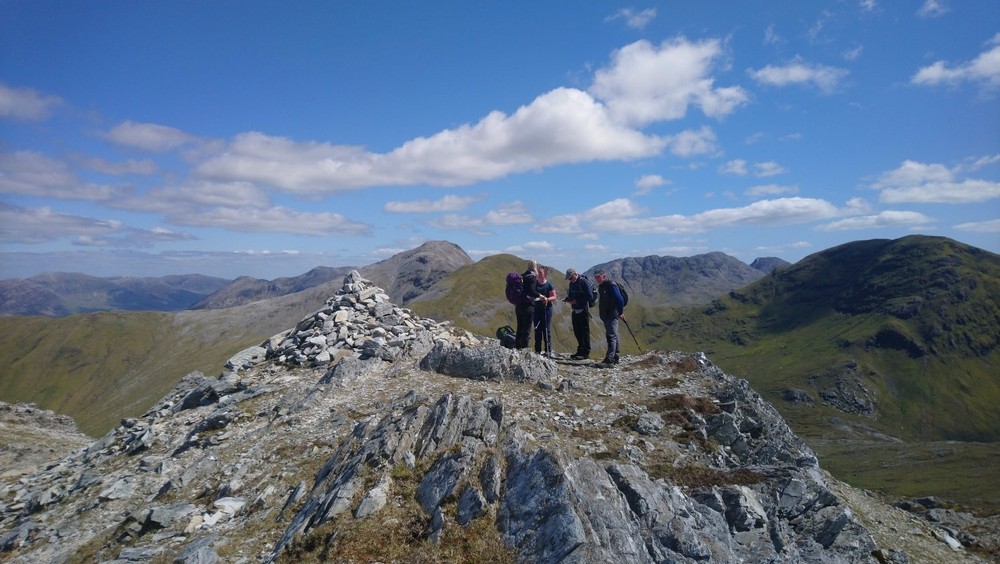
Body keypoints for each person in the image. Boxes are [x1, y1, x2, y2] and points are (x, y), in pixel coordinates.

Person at [594, 269, 624, 366]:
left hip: (612, 314)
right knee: (613, 335)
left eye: (599, 276)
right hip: (606, 315)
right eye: (596, 277)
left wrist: (620, 312)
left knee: (611, 336)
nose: (597, 279)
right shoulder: (602, 287)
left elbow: (619, 299)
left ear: (604, 276)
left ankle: (609, 360)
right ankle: (615, 357)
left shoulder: (611, 285)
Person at [563, 267, 595, 360]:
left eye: (570, 278)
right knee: (577, 331)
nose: (570, 280)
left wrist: (576, 302)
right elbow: (571, 295)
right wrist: (568, 299)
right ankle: (580, 350)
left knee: (584, 332)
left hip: (584, 310)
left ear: (575, 274)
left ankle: (586, 353)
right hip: (575, 310)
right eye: (569, 278)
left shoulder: (583, 282)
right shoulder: (571, 284)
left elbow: (589, 296)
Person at [514, 260, 541, 349]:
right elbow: (532, 291)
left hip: (518, 305)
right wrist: (541, 296)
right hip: (528, 306)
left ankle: (517, 347)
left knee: (520, 327)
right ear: (535, 267)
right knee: (527, 328)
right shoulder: (532, 277)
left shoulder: (522, 276)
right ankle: (524, 349)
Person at [533, 266, 556, 355]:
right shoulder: (535, 284)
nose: (539, 274)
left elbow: (554, 297)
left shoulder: (549, 285)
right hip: (536, 310)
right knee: (537, 329)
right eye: (538, 273)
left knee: (546, 329)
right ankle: (537, 350)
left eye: (541, 273)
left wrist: (547, 299)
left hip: (546, 309)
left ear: (545, 274)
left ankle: (548, 350)